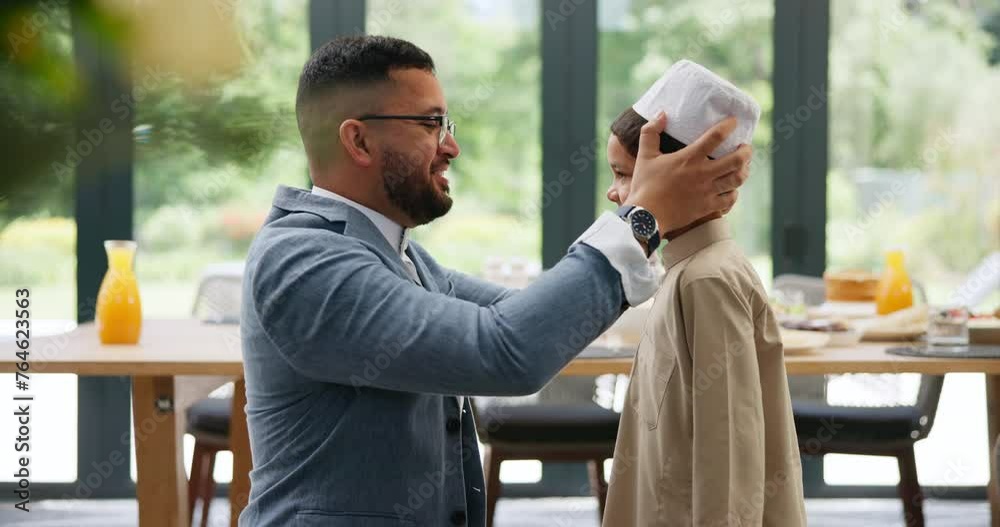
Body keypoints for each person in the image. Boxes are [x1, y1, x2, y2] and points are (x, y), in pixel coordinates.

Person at [239, 37, 752, 527]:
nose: (452, 146)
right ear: (358, 139)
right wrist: (643, 218)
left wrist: (665, 212)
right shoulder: (302, 260)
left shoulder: (402, 259)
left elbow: (535, 317)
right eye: (430, 124)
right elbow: (507, 351)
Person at [600, 60, 807, 526]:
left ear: (683, 176)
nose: (615, 193)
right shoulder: (682, 271)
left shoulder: (707, 280)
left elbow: (729, 456)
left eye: (623, 174)